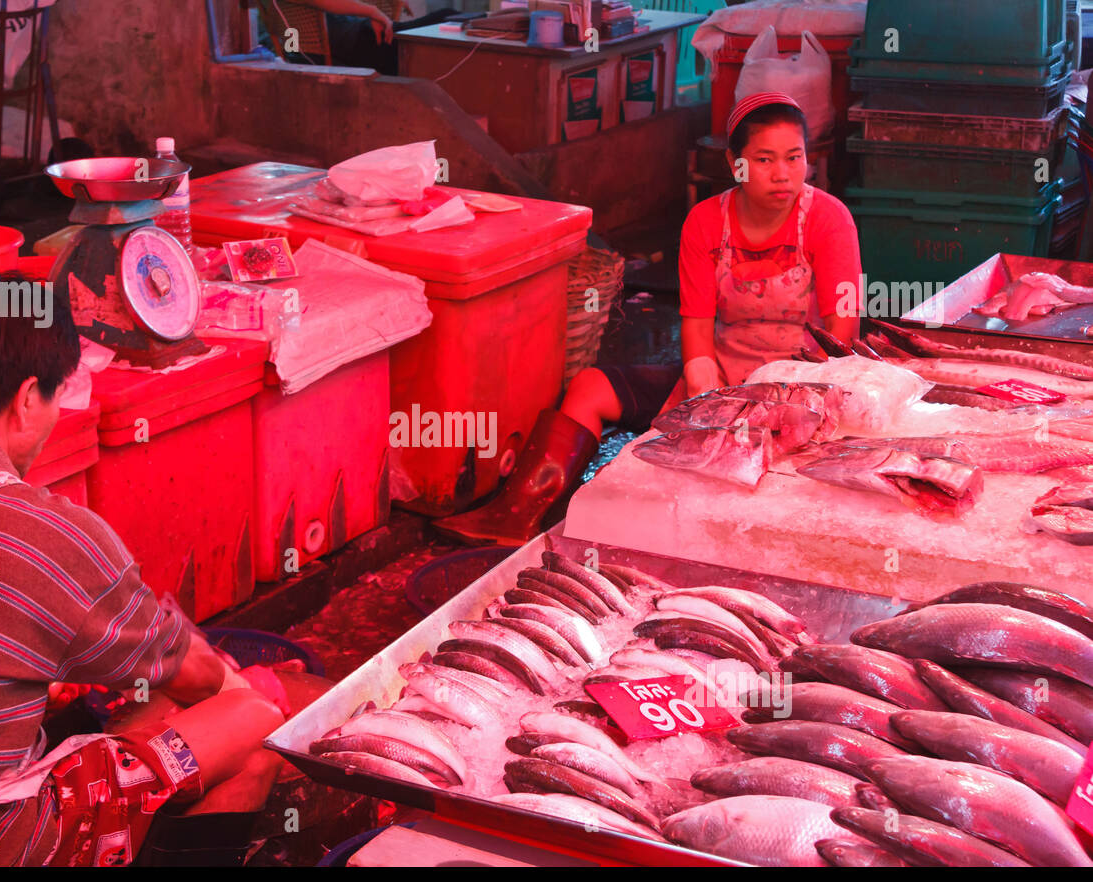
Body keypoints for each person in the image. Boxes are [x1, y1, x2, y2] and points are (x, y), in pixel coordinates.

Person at [0, 274, 318, 866]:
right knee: (252, 722)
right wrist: (230, 683)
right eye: (56, 396)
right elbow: (201, 678)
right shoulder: (48, 531)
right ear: (27, 400)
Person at [435, 92, 862, 547]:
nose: (783, 174)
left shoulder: (828, 219)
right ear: (734, 162)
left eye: (794, 158)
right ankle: (522, 520)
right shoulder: (704, 222)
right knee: (589, 388)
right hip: (720, 379)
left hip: (801, 392)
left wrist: (794, 408)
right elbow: (696, 325)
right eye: (764, 159)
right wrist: (709, 399)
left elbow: (843, 330)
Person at [279, 0, 458, 74]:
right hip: (353, 42)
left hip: (356, 34)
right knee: (446, 17)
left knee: (446, 19)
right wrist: (372, 12)